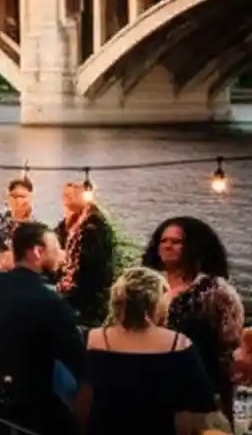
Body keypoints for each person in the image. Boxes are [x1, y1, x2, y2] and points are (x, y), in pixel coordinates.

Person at [0, 221, 84, 435]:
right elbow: (78, 360)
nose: (62, 254)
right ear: (38, 252)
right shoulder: (49, 301)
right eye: (56, 248)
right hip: (23, 411)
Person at [76, 267, 219, 434]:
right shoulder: (178, 344)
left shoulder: (93, 340)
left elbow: (81, 404)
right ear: (156, 303)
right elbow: (199, 409)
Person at [142, 216, 245, 423]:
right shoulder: (145, 285)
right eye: (164, 241)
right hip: (150, 388)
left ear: (194, 247)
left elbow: (230, 347)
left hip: (201, 391)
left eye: (176, 241)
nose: (168, 245)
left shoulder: (216, 291)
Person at [54, 182, 115, 326]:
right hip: (72, 287)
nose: (65, 199)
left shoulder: (93, 224)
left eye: (70, 195)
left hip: (89, 295)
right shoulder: (69, 222)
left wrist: (64, 262)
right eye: (64, 195)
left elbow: (88, 261)